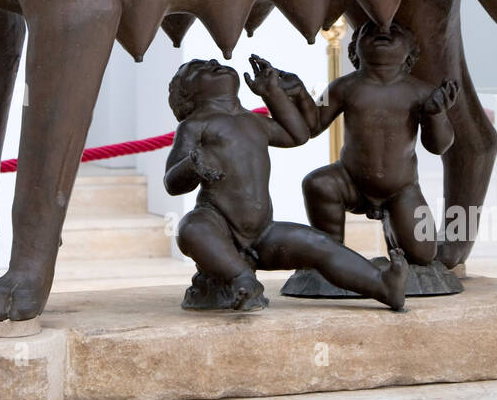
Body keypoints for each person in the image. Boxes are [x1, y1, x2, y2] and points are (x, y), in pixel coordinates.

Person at [165, 55, 407, 311]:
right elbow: (172, 182)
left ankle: (384, 286)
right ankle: (243, 280)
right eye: (197, 67)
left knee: (320, 244)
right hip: (218, 222)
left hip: (263, 232)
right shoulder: (195, 126)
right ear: (187, 93)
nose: (213, 61)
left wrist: (272, 92)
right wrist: (192, 164)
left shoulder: (254, 121)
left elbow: (297, 134)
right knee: (191, 228)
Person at [269, 19, 459, 267]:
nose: (383, 31)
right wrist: (299, 93)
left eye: (395, 30)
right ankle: (330, 254)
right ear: (355, 49)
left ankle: (395, 235)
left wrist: (437, 115)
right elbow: (313, 125)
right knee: (318, 184)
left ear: (411, 51)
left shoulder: (421, 92)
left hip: (401, 188)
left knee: (422, 255)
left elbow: (439, 146)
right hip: (350, 181)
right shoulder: (344, 87)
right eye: (369, 31)